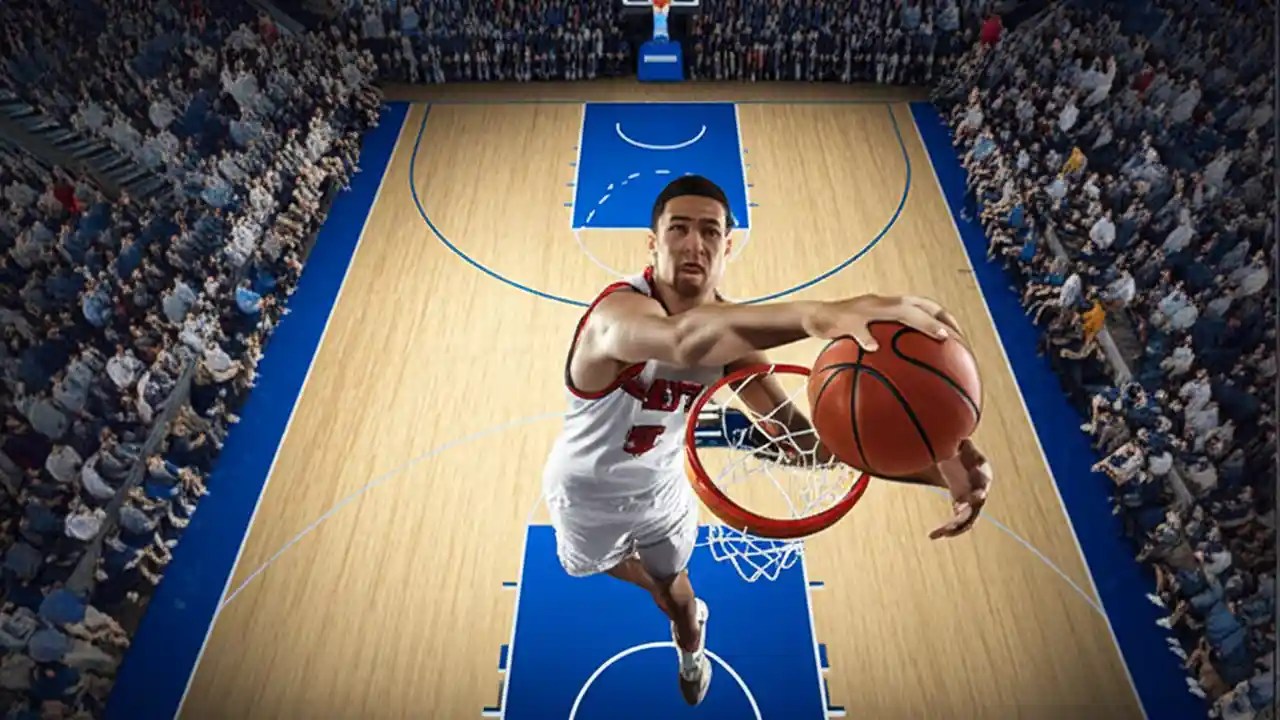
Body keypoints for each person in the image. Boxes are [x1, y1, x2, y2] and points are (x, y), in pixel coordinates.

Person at [541, 175, 993, 705]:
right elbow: (682, 341)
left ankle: (690, 648)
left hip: (660, 490)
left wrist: (935, 468)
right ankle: (654, 569)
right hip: (585, 491)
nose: (694, 244)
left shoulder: (733, 343)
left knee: (678, 599)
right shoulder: (614, 317)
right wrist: (820, 316)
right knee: (592, 566)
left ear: (728, 246)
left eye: (710, 231)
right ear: (652, 242)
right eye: (678, 229)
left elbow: (809, 446)